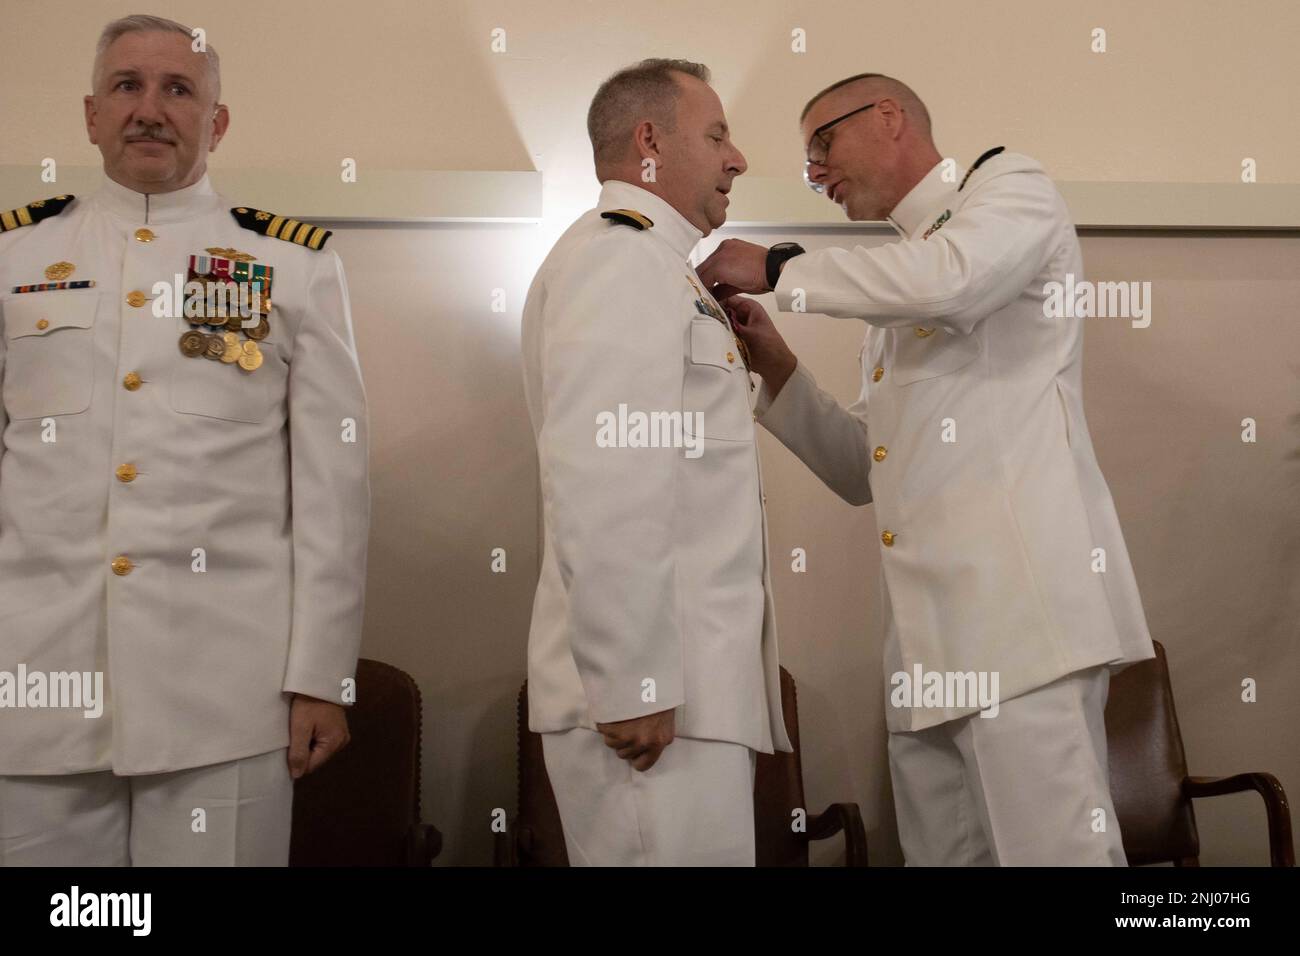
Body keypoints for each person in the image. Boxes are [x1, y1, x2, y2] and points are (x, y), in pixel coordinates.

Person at [698, 72, 1155, 865]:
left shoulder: (1005, 188)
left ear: (888, 116)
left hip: (1020, 623)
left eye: (822, 143)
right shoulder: (903, 281)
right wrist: (777, 369)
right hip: (925, 648)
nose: (814, 172)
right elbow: (860, 469)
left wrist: (779, 266)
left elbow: (957, 283)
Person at [0, 15, 369, 866]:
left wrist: (321, 676)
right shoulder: (19, 254)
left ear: (217, 120)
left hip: (222, 698)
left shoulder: (290, 265)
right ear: (91, 114)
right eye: (127, 86)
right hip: (38, 686)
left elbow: (332, 492)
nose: (150, 109)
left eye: (178, 89)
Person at [520, 58, 792, 866]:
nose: (736, 159)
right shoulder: (621, 258)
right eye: (715, 136)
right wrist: (633, 678)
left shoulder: (660, 268)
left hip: (686, 690)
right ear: (648, 142)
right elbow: (605, 478)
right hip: (655, 697)